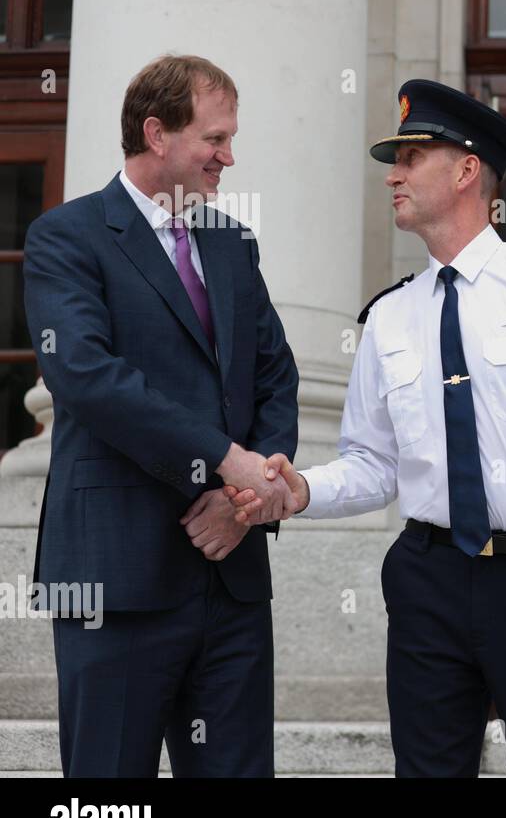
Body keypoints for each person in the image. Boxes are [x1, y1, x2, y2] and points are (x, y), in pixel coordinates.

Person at [230, 79, 506, 777]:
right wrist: (302, 491)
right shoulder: (390, 316)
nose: (393, 175)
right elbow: (373, 462)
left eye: (412, 156)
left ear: (467, 168)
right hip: (429, 577)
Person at [22, 54, 300, 777]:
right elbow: (86, 377)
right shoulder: (67, 237)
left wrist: (247, 500)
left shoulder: (233, 245)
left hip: (231, 578)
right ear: (157, 133)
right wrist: (223, 459)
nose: (227, 157)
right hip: (116, 577)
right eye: (214, 139)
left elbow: (276, 377)